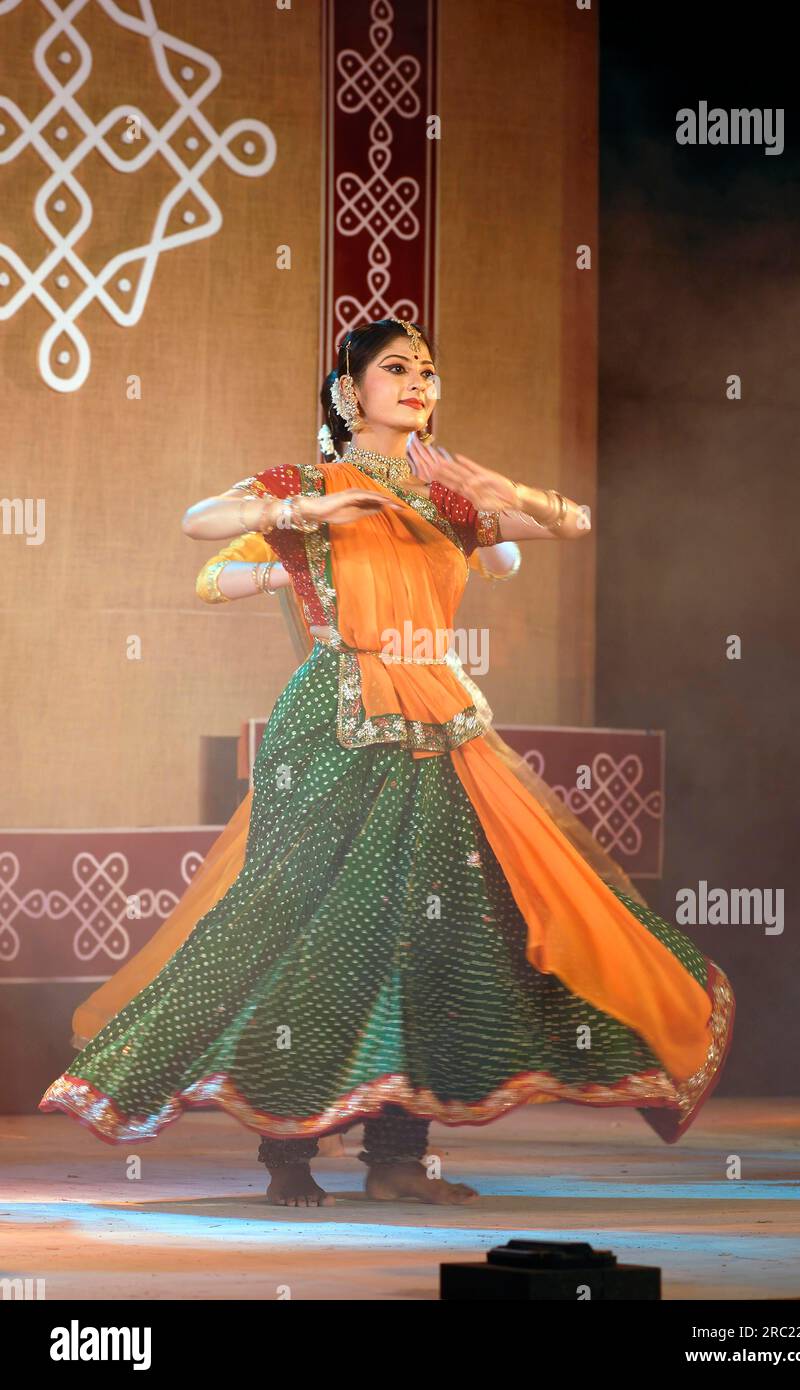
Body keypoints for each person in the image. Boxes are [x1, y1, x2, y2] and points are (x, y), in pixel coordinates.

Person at [40, 317, 735, 1209]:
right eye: (396, 368)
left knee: (437, 935)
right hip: (333, 725)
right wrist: (298, 516)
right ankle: (288, 1146)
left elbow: (564, 526)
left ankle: (399, 1156)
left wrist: (497, 487)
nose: (417, 381)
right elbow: (197, 530)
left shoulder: (448, 498)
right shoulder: (311, 482)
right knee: (309, 926)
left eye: (429, 370)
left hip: (440, 726)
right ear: (349, 390)